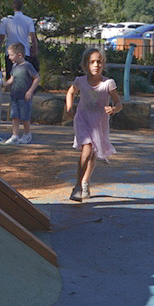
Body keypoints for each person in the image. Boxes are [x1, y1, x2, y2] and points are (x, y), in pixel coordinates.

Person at [65, 47, 120, 202]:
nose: (96, 65)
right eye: (92, 62)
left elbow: (118, 103)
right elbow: (70, 92)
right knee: (87, 148)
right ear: (85, 65)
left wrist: (113, 109)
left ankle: (85, 181)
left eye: (99, 62)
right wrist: (69, 107)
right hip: (82, 119)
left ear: (103, 64)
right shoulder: (80, 81)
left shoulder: (108, 83)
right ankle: (77, 186)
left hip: (99, 122)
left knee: (93, 153)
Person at [1, 41, 40, 145]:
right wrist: (4, 84)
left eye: (11, 55)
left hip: (24, 96)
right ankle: (15, 135)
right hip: (15, 95)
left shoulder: (27, 66)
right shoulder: (14, 66)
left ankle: (27, 133)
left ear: (19, 55)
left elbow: (37, 78)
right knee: (14, 116)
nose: (9, 57)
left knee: (24, 116)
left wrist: (30, 91)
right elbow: (12, 79)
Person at [0, 0, 39, 74]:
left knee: (11, 75)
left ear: (13, 6)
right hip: (25, 52)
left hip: (10, 53)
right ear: (22, 7)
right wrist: (35, 52)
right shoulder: (28, 20)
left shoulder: (5, 20)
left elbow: (1, 38)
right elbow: (33, 38)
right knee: (25, 76)